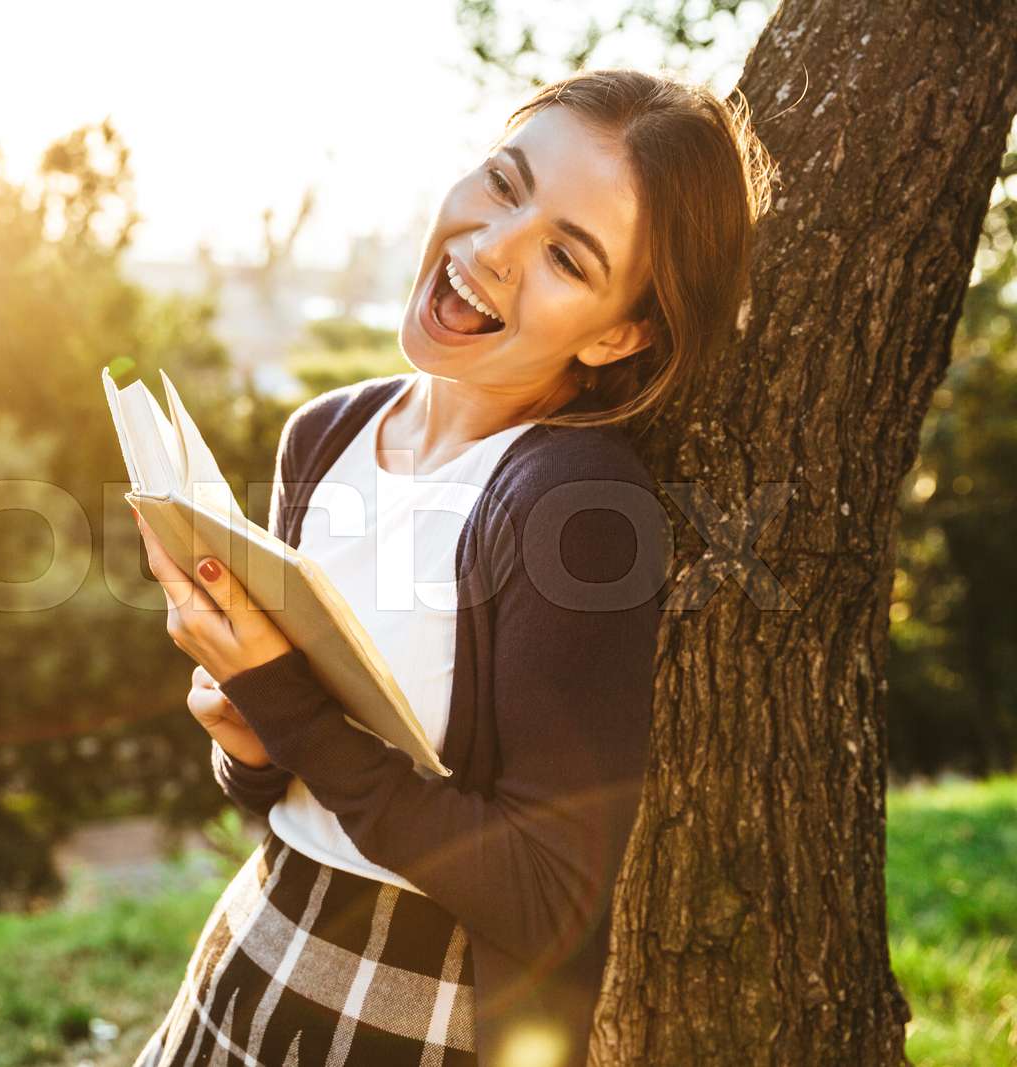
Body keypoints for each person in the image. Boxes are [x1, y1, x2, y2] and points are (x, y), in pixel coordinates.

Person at [131, 68, 774, 1067]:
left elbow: (550, 891)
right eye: (504, 183)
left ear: (616, 333)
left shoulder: (575, 505)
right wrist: (250, 742)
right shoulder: (325, 435)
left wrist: (283, 701)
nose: (491, 250)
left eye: (566, 255)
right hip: (250, 949)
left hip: (412, 1011)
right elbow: (297, 803)